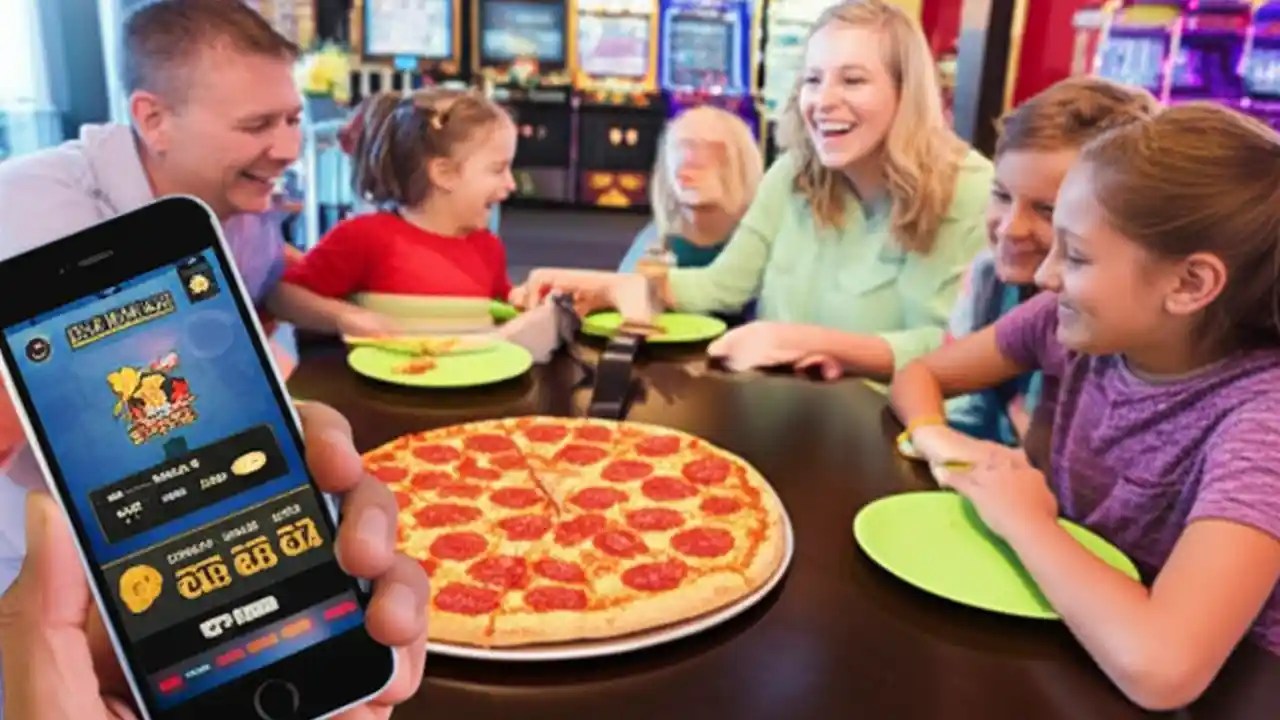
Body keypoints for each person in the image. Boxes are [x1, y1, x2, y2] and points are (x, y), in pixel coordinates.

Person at [0, 0, 427, 713]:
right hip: (57, 578)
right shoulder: (30, 219)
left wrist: (351, 317)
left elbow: (269, 274)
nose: (291, 147)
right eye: (257, 125)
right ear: (153, 118)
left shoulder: (224, 197)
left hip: (232, 531)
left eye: (291, 118)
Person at [890, 104, 1280, 710]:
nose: (1045, 276)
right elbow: (919, 376)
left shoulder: (1262, 422)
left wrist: (1022, 517)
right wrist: (936, 438)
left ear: (1190, 285)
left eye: (1075, 255)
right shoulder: (1066, 322)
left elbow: (1164, 668)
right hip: (1077, 647)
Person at [519, 0, 992, 381]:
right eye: (812, 79)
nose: (823, 101)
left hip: (896, 430)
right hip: (786, 409)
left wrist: (801, 341)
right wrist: (608, 286)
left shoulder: (967, 186)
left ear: (906, 92)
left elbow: (946, 346)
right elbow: (725, 286)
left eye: (853, 80)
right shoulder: (794, 171)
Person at [937, 77, 1157, 451]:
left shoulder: (1111, 321)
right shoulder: (988, 275)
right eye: (1002, 195)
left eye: (1046, 209)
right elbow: (959, 401)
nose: (1010, 228)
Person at [271, 88, 519, 335]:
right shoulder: (364, 238)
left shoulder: (489, 248)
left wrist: (523, 299)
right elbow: (282, 298)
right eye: (498, 169)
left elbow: (501, 307)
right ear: (445, 173)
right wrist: (344, 317)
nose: (511, 184)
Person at [618, 105, 763, 273]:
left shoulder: (767, 247)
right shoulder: (653, 243)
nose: (691, 161)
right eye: (680, 148)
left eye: (713, 151)